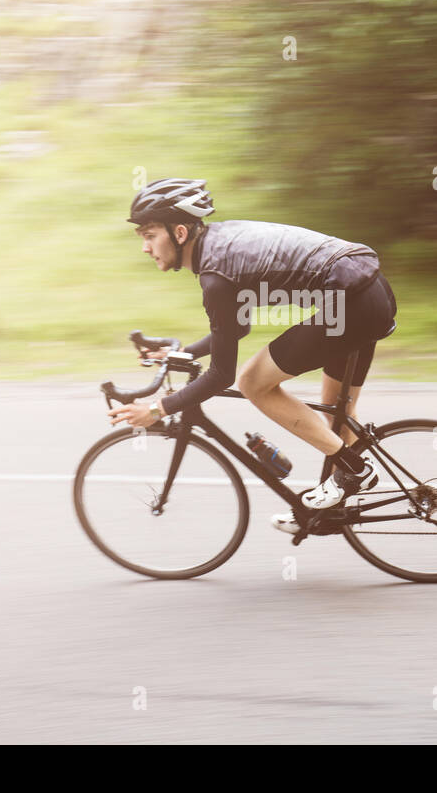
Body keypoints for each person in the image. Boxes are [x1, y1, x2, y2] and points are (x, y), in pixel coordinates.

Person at [107, 177, 398, 534]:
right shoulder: (220, 245)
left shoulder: (215, 277)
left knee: (252, 383)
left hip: (349, 303)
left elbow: (221, 376)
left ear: (179, 232)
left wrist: (155, 410)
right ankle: (336, 507)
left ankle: (353, 472)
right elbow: (235, 329)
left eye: (150, 236)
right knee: (339, 413)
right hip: (369, 293)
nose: (145, 248)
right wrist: (182, 352)